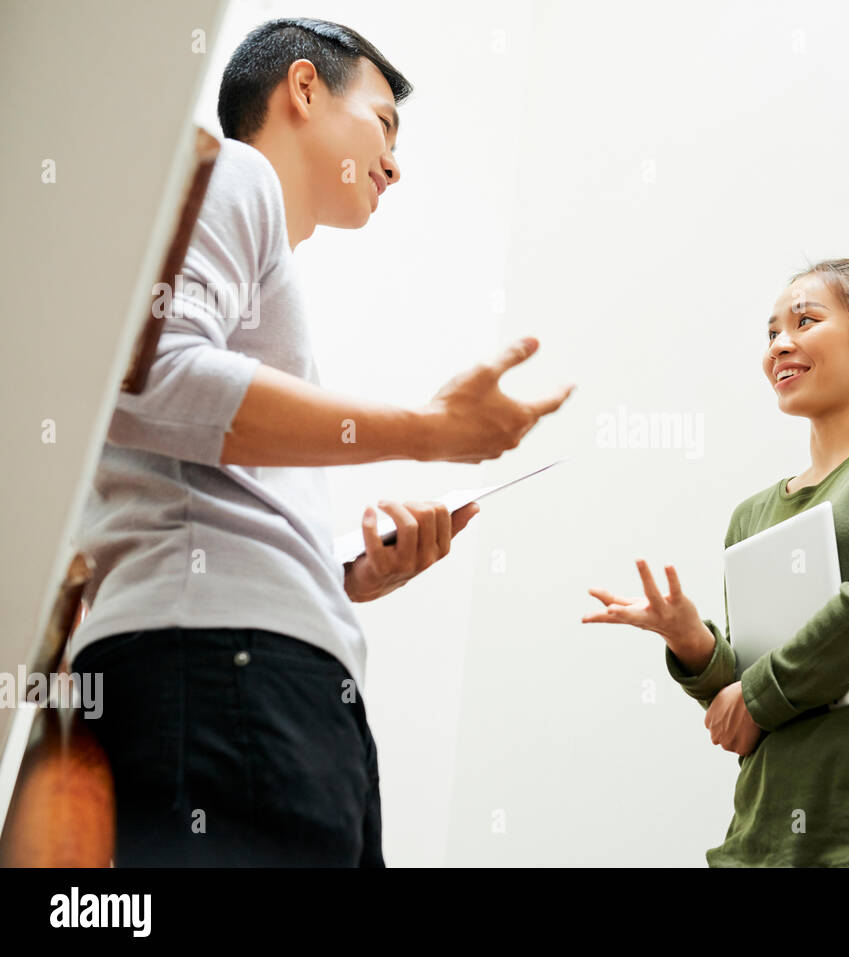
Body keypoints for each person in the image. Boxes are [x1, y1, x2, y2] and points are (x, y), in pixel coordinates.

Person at [69, 17, 574, 866]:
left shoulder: (259, 248)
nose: (395, 160)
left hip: (260, 670)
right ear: (303, 88)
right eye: (383, 122)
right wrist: (429, 432)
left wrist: (348, 570)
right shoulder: (237, 176)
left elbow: (195, 463)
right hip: (228, 668)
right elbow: (153, 377)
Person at [583, 258, 849, 867]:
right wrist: (691, 642)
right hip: (767, 829)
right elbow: (742, 699)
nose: (779, 345)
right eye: (770, 333)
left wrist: (758, 695)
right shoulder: (752, 514)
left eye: (805, 321)